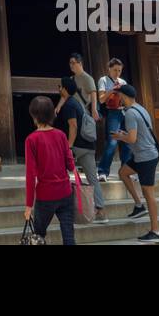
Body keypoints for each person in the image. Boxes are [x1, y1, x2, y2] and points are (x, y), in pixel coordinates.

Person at [111, 84, 159, 242]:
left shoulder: (130, 114)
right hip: (142, 155)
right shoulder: (141, 108)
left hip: (146, 157)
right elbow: (138, 134)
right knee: (123, 173)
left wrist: (120, 137)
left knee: (149, 194)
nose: (118, 99)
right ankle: (139, 206)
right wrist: (125, 134)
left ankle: (156, 232)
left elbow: (132, 139)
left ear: (124, 97)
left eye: (119, 96)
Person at [23, 95, 77, 245]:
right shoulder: (61, 135)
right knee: (69, 236)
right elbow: (70, 165)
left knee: (38, 236)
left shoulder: (31, 140)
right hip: (65, 192)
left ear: (34, 115)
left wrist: (28, 205)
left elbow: (30, 175)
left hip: (45, 195)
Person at [56, 76, 105, 221]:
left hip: (77, 145)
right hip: (88, 145)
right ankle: (100, 210)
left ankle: (60, 206)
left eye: (60, 86)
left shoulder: (69, 105)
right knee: (92, 178)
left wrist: (68, 147)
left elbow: (73, 126)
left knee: (58, 173)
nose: (58, 89)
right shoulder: (76, 103)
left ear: (64, 89)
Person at [96, 58, 129, 181]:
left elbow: (128, 100)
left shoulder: (123, 82)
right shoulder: (103, 80)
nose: (117, 73)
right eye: (115, 70)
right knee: (112, 142)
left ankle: (125, 172)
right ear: (109, 68)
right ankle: (102, 172)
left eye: (119, 70)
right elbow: (101, 99)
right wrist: (112, 90)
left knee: (127, 143)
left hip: (124, 112)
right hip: (113, 113)